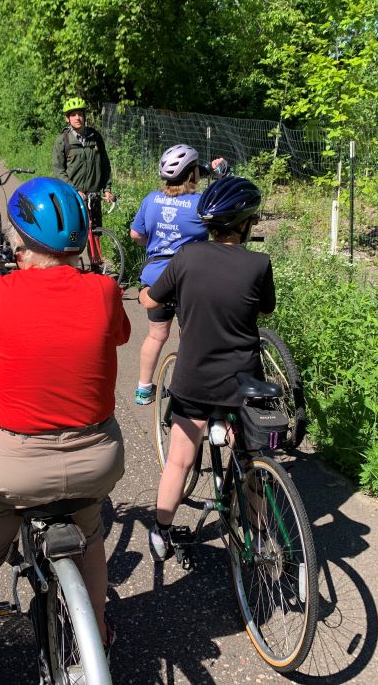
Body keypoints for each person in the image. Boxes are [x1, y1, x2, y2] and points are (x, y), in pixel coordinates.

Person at [0, 177, 129, 685]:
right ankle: (96, 629)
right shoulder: (103, 292)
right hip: (96, 458)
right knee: (91, 535)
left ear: (17, 241)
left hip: (12, 469)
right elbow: (120, 333)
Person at [138, 175, 273, 561]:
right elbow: (264, 310)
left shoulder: (186, 258)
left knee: (180, 458)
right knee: (250, 456)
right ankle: (261, 537)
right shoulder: (259, 263)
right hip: (242, 379)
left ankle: (162, 534)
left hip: (194, 379)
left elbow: (150, 299)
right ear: (245, 224)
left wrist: (152, 293)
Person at [129, 145, 227, 405]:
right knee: (188, 336)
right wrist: (222, 176)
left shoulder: (151, 200)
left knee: (156, 335)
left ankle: (143, 389)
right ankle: (185, 388)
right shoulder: (200, 203)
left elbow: (136, 235)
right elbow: (223, 227)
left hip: (156, 279)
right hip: (188, 279)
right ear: (193, 174)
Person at [51, 96, 114, 236]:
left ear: (84, 116)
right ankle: (74, 258)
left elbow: (105, 164)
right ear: (67, 118)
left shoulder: (95, 137)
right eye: (73, 115)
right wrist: (75, 190)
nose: (77, 117)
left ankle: (96, 258)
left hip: (94, 196)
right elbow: (58, 170)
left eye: (80, 114)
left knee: (95, 234)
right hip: (73, 196)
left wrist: (107, 188)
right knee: (74, 236)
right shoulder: (63, 141)